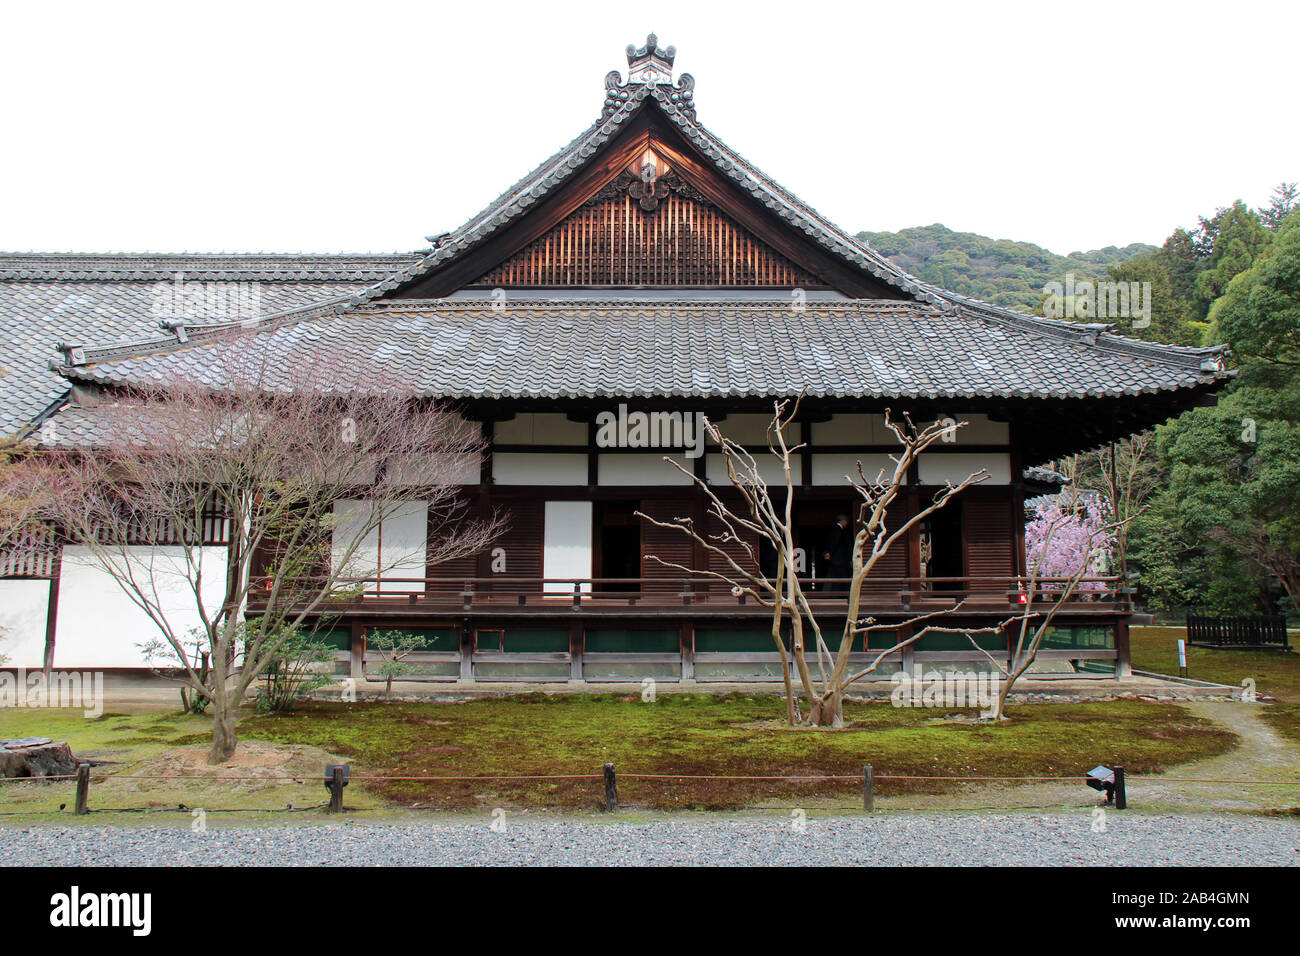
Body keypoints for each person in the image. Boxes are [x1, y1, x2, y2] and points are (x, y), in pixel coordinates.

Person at [822, 514, 853, 592]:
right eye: (846, 521)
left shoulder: (835, 530)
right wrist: (829, 553)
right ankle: (841, 595)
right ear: (842, 521)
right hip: (839, 560)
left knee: (836, 577)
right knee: (841, 578)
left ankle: (837, 594)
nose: (846, 523)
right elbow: (834, 543)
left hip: (836, 560)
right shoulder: (838, 530)